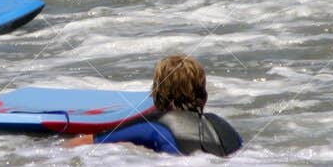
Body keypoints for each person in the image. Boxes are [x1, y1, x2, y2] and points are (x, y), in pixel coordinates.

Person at [67, 55, 243, 157]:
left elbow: (82, 143)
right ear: (203, 95)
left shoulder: (154, 124)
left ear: (158, 92)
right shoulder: (222, 125)